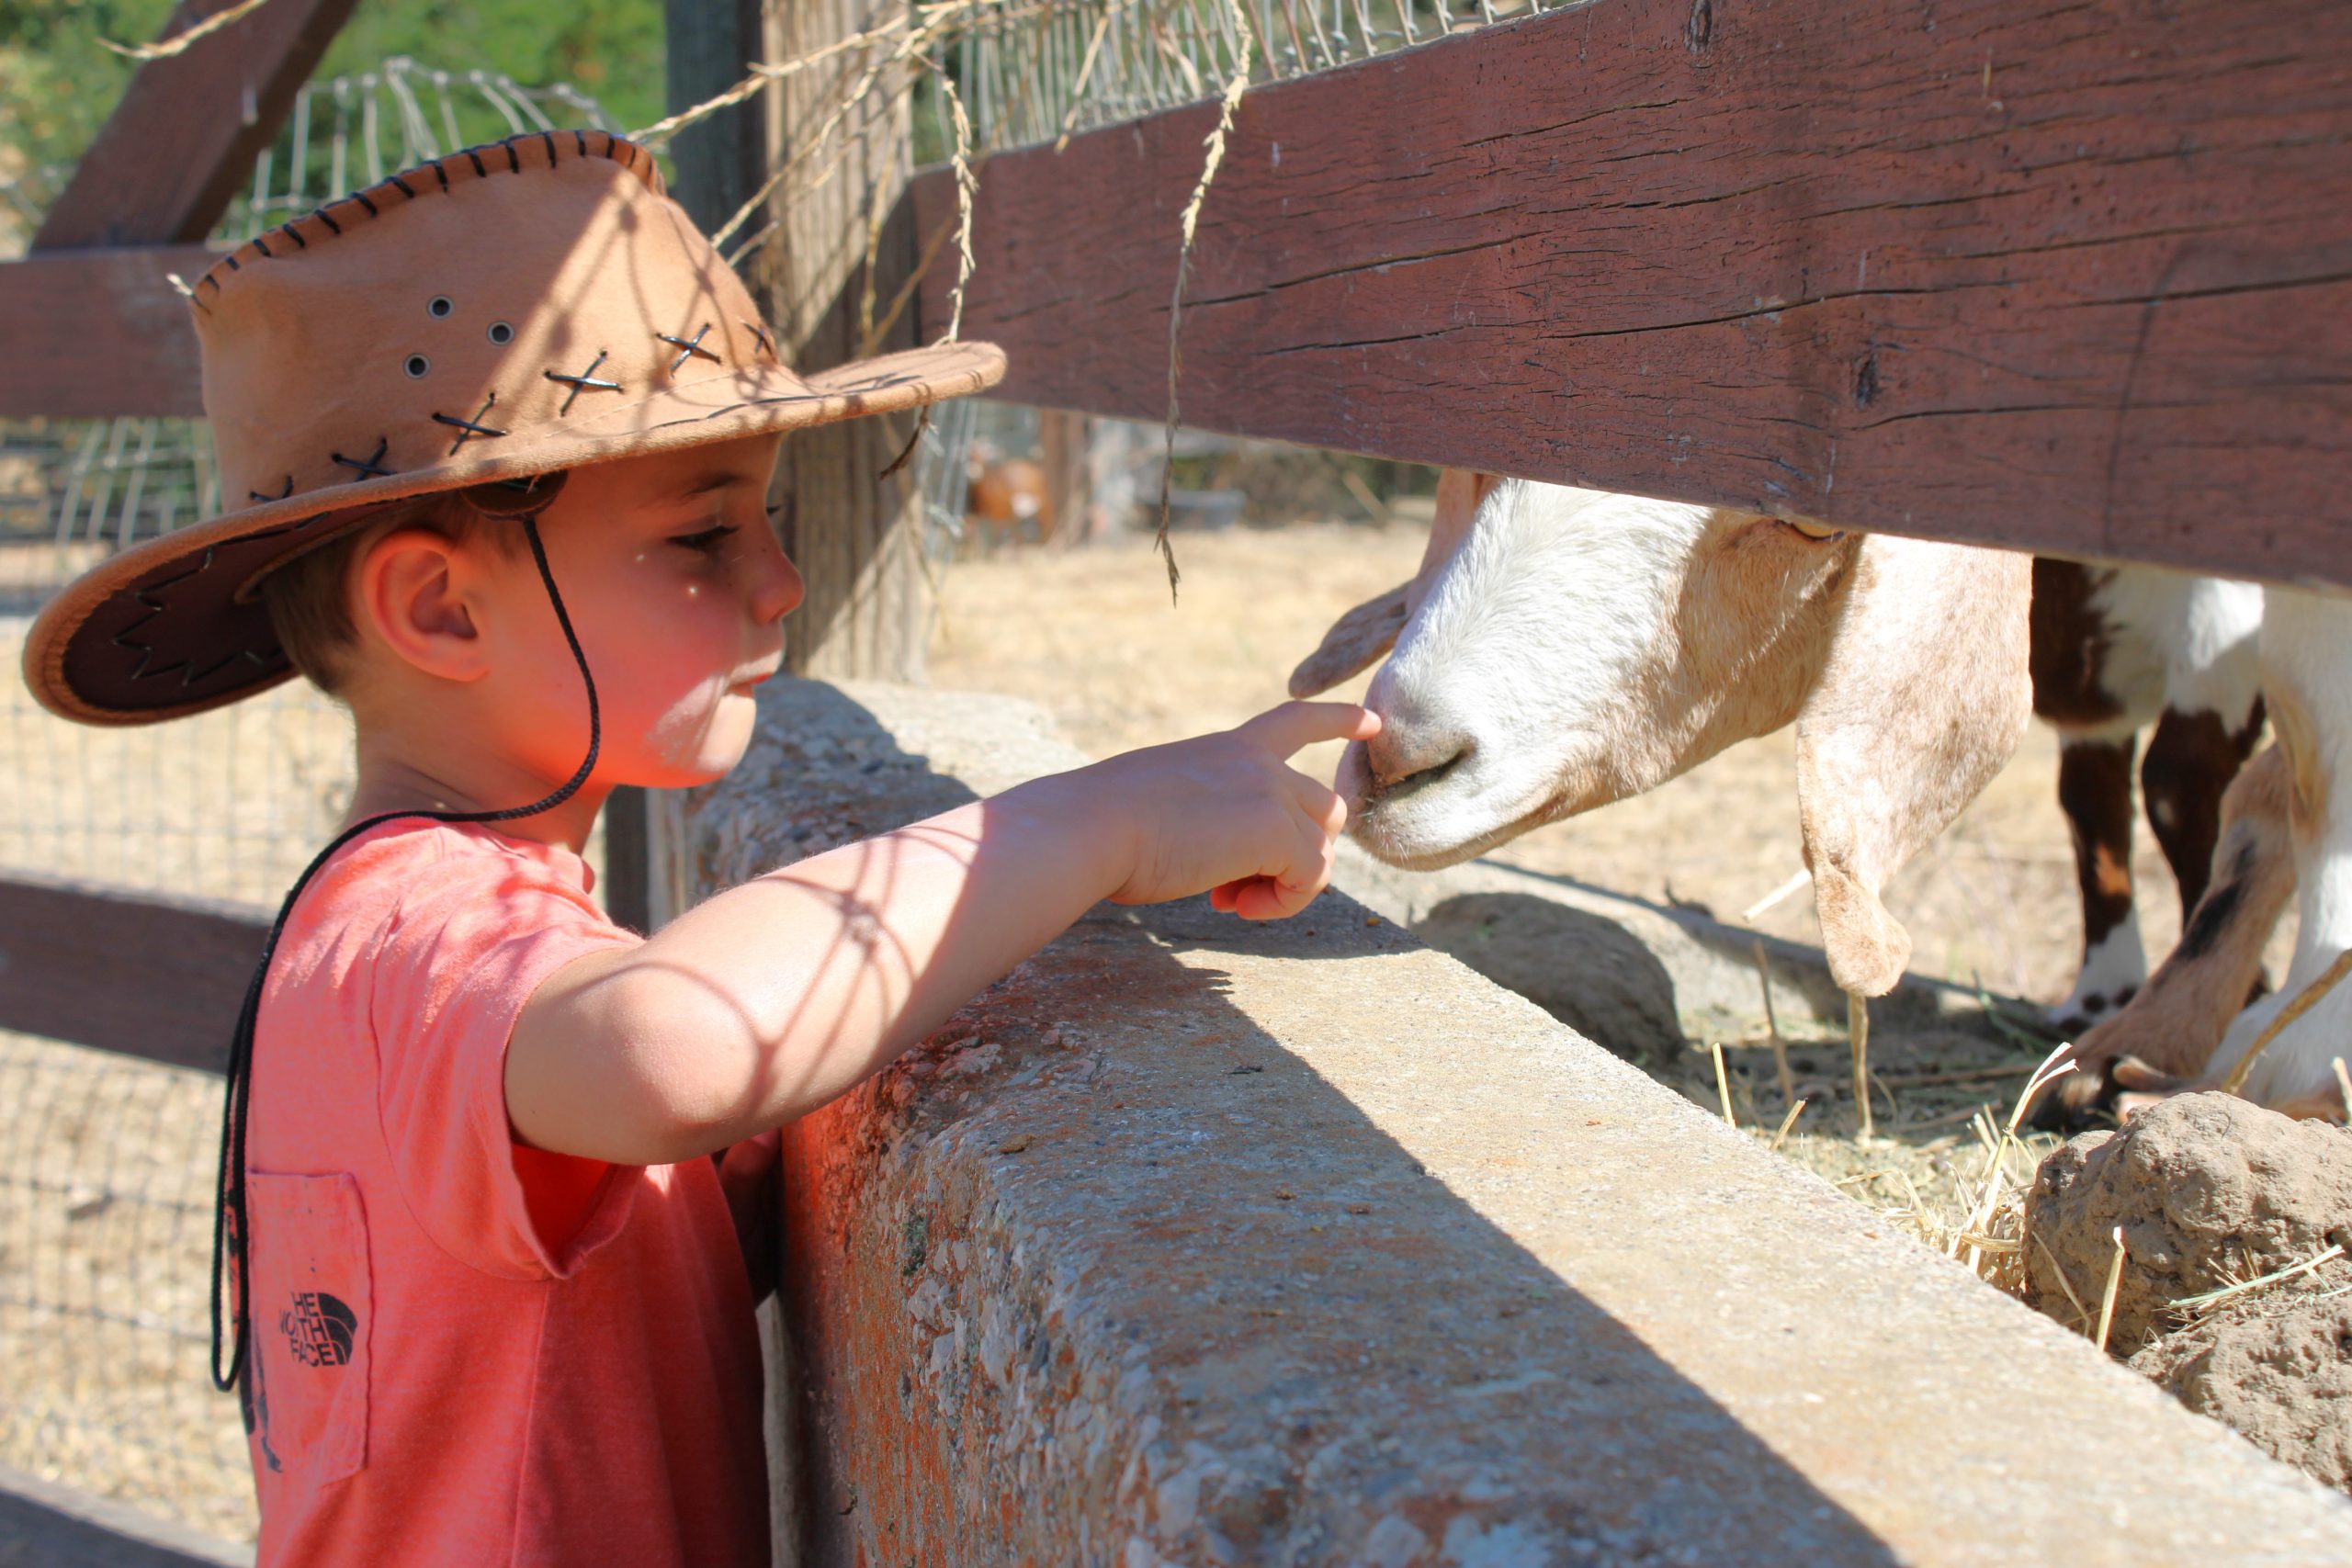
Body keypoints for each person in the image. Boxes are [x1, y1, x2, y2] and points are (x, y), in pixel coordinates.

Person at [21, 130, 1373, 1566]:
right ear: (442, 612)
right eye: (700, 535)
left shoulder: (372, 934)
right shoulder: (423, 938)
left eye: (768, 517)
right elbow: (676, 1044)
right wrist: (1094, 822)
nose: (780, 581)